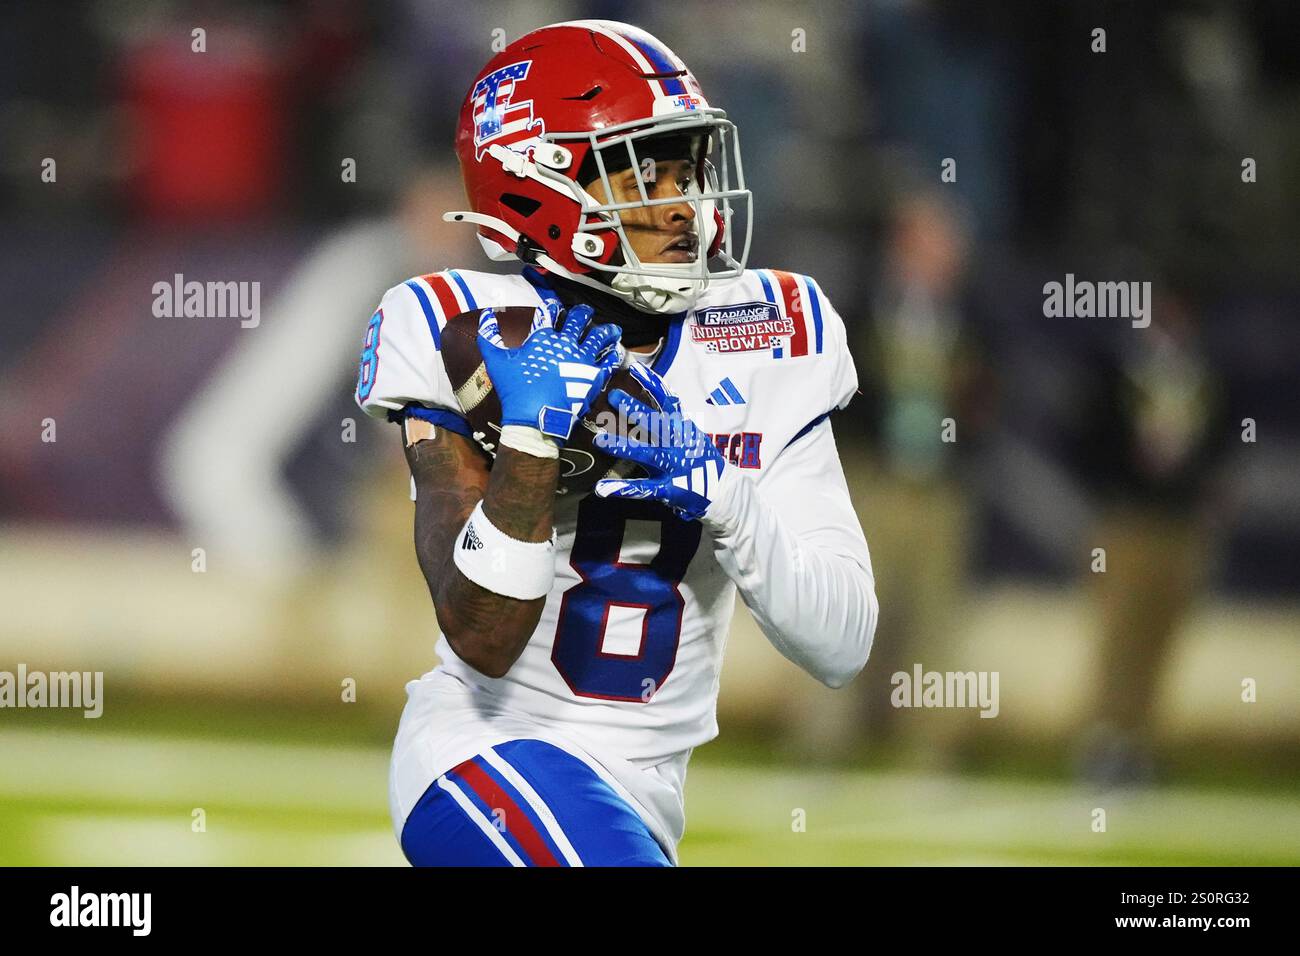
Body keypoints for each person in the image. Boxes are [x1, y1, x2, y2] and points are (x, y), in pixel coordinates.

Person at [354, 19, 879, 866]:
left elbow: (842, 642)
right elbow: (479, 630)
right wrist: (532, 439)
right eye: (643, 172)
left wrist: (718, 487)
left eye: (688, 167)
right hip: (483, 756)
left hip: (645, 794)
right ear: (539, 184)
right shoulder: (456, 328)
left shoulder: (772, 326)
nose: (683, 203)